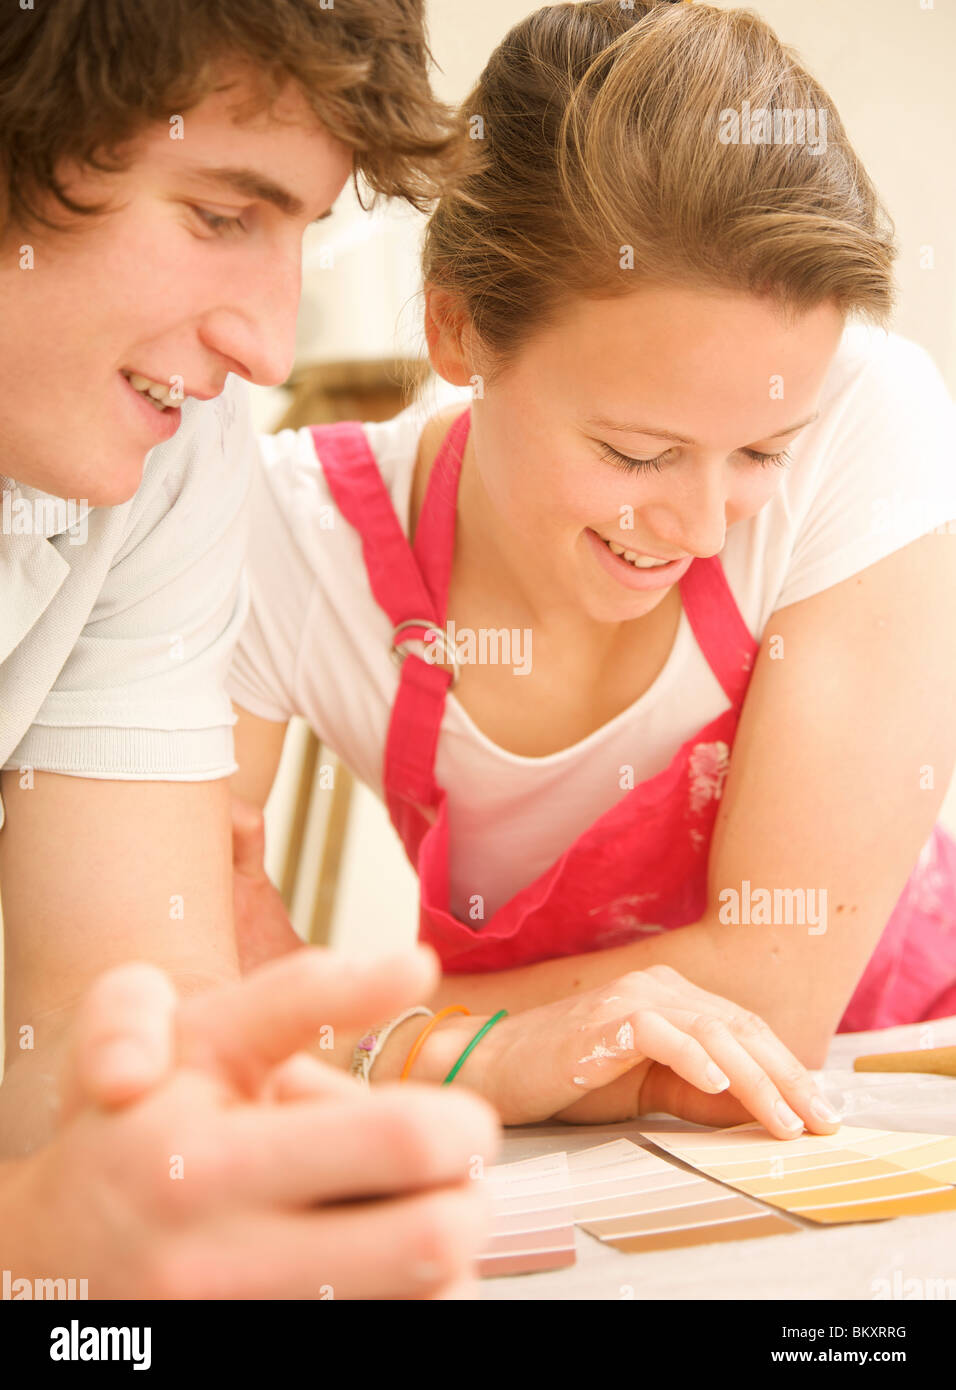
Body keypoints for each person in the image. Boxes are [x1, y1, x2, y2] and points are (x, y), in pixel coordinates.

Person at [227, 0, 956, 1116]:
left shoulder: (871, 413)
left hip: (893, 1089)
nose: (706, 528)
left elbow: (766, 1000)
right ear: (457, 328)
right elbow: (191, 980)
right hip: (530, 1152)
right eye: (635, 453)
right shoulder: (288, 536)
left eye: (762, 450)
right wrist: (484, 1054)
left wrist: (402, 1043)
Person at [0, 0, 499, 1300]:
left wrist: (183, 1168)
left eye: (301, 230)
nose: (268, 347)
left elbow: (113, 1008)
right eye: (222, 215)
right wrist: (29, 1246)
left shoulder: (165, 456)